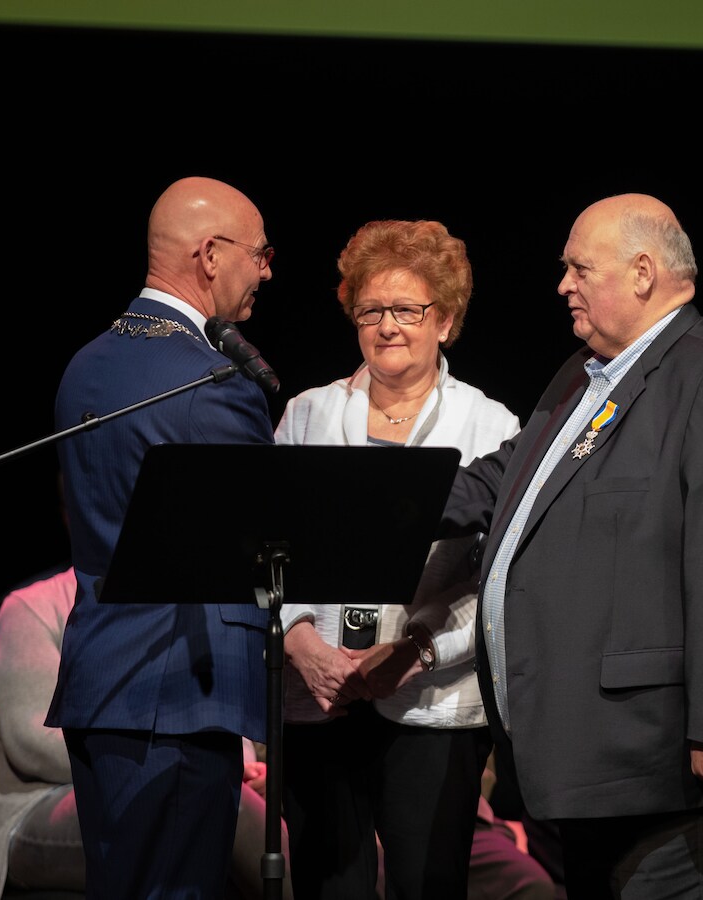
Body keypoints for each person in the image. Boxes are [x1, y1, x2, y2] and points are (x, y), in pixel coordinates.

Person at [439, 192, 703, 898]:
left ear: (642, 272)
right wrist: (369, 500)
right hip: (592, 765)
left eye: (579, 268)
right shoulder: (581, 377)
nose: (562, 285)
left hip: (673, 767)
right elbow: (502, 482)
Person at [45, 176, 278, 899]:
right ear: (211, 255)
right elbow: (264, 532)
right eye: (261, 252)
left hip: (104, 691)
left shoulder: (85, 365)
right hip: (177, 696)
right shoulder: (209, 380)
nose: (268, 270)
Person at [274, 218, 520, 899]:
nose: (387, 326)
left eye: (407, 310)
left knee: (426, 885)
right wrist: (298, 641)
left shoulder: (491, 425)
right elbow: (267, 547)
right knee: (329, 885)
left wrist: (415, 650)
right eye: (370, 310)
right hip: (315, 693)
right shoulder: (308, 415)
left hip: (432, 699)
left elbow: (498, 579)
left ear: (444, 321)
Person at [0, 567, 292, 900]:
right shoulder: (31, 606)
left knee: (214, 793)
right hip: (38, 803)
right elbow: (31, 744)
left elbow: (212, 704)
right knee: (212, 799)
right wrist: (144, 754)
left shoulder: (185, 606)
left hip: (167, 768)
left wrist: (245, 765)